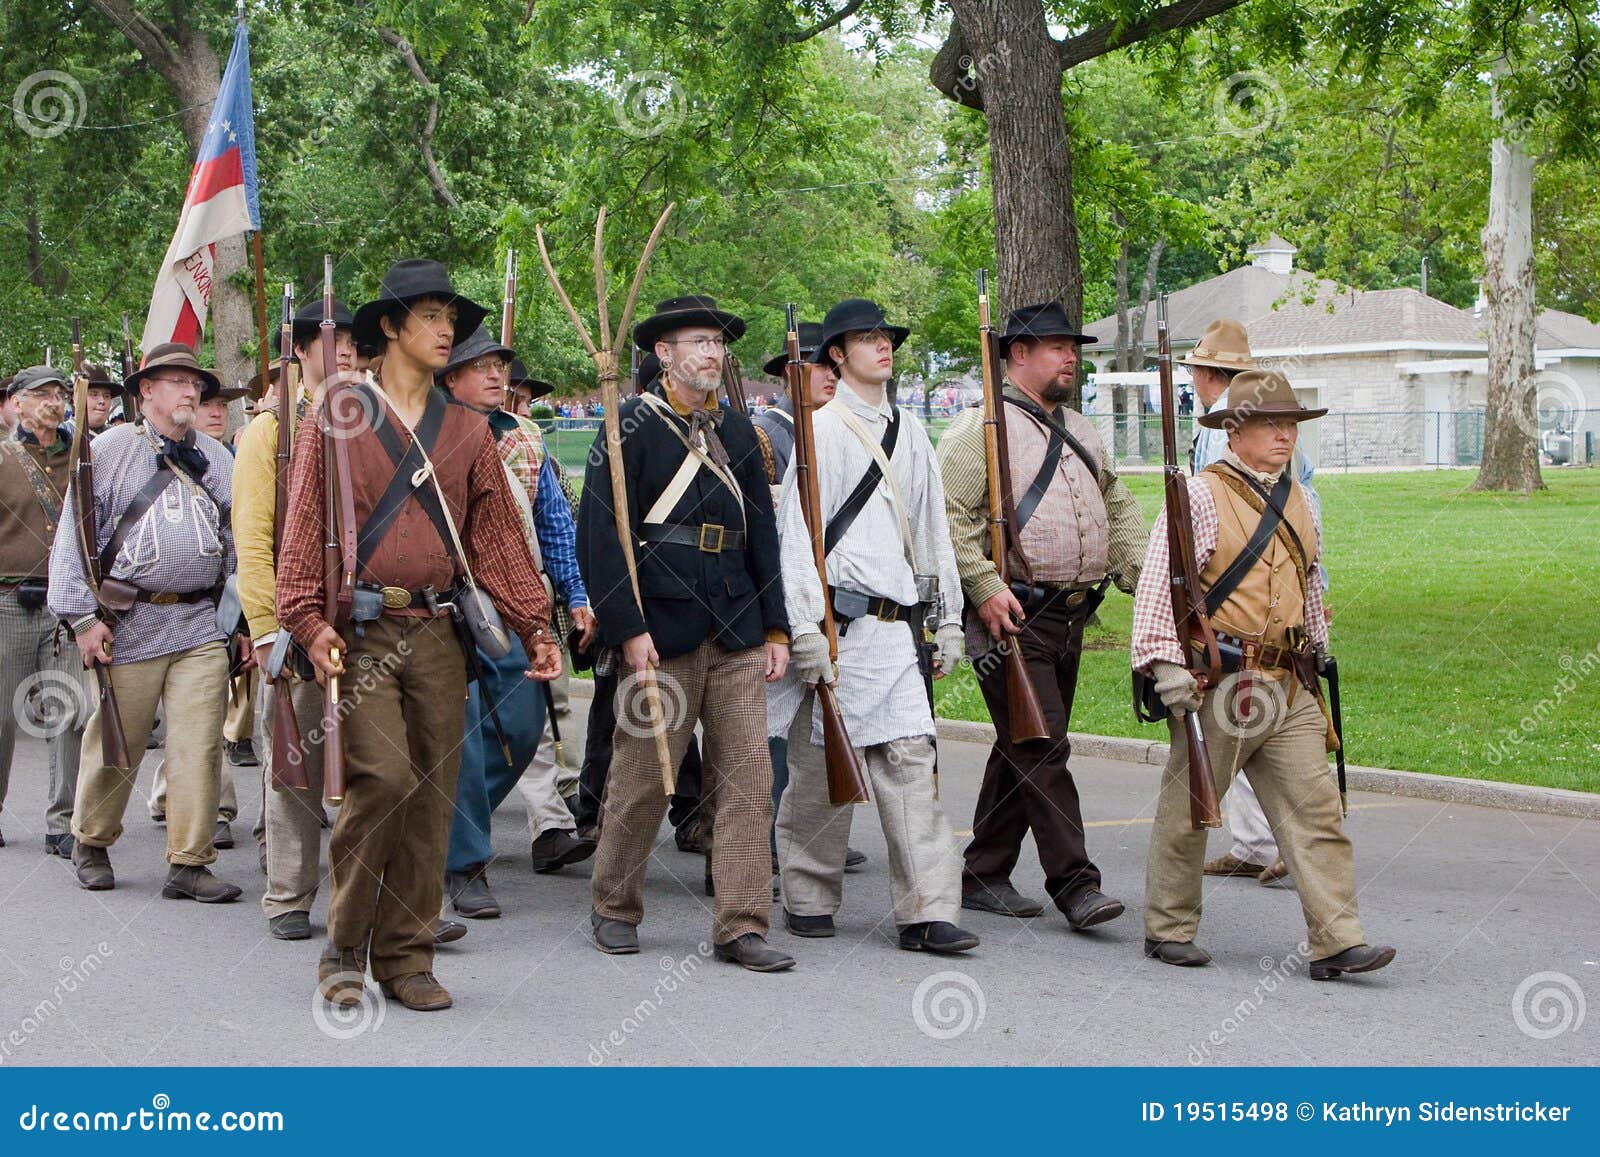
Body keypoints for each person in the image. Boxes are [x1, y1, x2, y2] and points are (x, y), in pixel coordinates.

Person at [276, 260, 558, 1011]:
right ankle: (344, 950)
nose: (447, 332)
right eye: (431, 316)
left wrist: (535, 623)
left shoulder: (468, 429)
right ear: (392, 328)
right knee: (385, 782)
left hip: (439, 629)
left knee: (434, 796)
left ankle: (407, 956)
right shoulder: (336, 412)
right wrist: (305, 620)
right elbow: (304, 523)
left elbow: (497, 540)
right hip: (361, 632)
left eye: (450, 319)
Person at [1132, 369, 1393, 980]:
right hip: (1226, 682)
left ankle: (1337, 941)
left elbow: (1308, 583)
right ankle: (1168, 926)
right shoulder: (1198, 495)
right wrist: (1164, 664)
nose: (1284, 436)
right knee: (1193, 807)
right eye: (1272, 424)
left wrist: (1319, 653)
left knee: (1317, 812)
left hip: (1289, 681)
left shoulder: (1301, 499)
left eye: (1291, 425)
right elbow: (1156, 588)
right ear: (1234, 429)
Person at [579, 295, 793, 973]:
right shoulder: (628, 430)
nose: (713, 352)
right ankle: (614, 903)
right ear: (664, 354)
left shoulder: (740, 434)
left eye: (718, 342)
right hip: (660, 627)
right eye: (698, 341)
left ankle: (741, 921)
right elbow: (601, 541)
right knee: (644, 777)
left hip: (736, 623)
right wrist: (628, 628)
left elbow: (762, 532)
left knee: (748, 780)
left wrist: (778, 623)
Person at [771, 298, 977, 954]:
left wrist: (948, 616)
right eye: (867, 338)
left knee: (912, 759)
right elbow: (797, 534)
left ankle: (927, 909)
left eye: (885, 336)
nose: (882, 346)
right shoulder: (820, 431)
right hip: (840, 624)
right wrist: (804, 626)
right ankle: (806, 888)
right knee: (818, 767)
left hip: (896, 629)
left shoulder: (910, 430)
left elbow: (932, 528)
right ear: (837, 354)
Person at [936, 302, 1143, 929]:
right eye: (1055, 347)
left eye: (1071, 347)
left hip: (1074, 613)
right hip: (1013, 616)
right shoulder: (978, 429)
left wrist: (1145, 577)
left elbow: (1118, 503)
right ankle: (1076, 885)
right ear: (1017, 355)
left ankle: (983, 871)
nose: (1070, 357)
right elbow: (949, 521)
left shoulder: (1082, 426)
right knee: (1043, 746)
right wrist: (984, 587)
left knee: (1023, 744)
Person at [51, 343, 244, 902]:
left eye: (194, 384)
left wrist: (241, 618)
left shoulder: (216, 455)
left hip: (199, 624)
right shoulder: (109, 449)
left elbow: (236, 537)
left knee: (199, 744)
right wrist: (85, 619)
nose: (190, 392)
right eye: (177, 382)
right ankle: (91, 839)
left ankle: (189, 860)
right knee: (120, 742)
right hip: (129, 621)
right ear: (146, 393)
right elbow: (75, 537)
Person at [435, 327, 595, 915]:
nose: (498, 375)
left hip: (511, 604)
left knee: (524, 727)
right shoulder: (426, 432)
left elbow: (552, 523)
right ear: (449, 378)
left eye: (501, 364)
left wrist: (574, 593)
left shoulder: (527, 438)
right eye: (481, 366)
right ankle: (465, 861)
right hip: (442, 605)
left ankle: (444, 820)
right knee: (463, 735)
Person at [1184, 320, 1320, 886]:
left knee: (1244, 736)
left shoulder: (1231, 434)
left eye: (1195, 371)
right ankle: (1256, 841)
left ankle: (1279, 839)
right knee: (1244, 735)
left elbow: (1293, 530)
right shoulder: (1230, 426)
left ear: (1207, 374)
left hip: (1247, 613)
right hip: (1253, 604)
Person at [0, 368, 89, 854]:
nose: (52, 402)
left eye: (58, 394)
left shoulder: (82, 456)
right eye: (40, 395)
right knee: (1, 718)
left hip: (65, 607)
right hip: (9, 602)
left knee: (69, 711)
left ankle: (63, 821)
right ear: (16, 404)